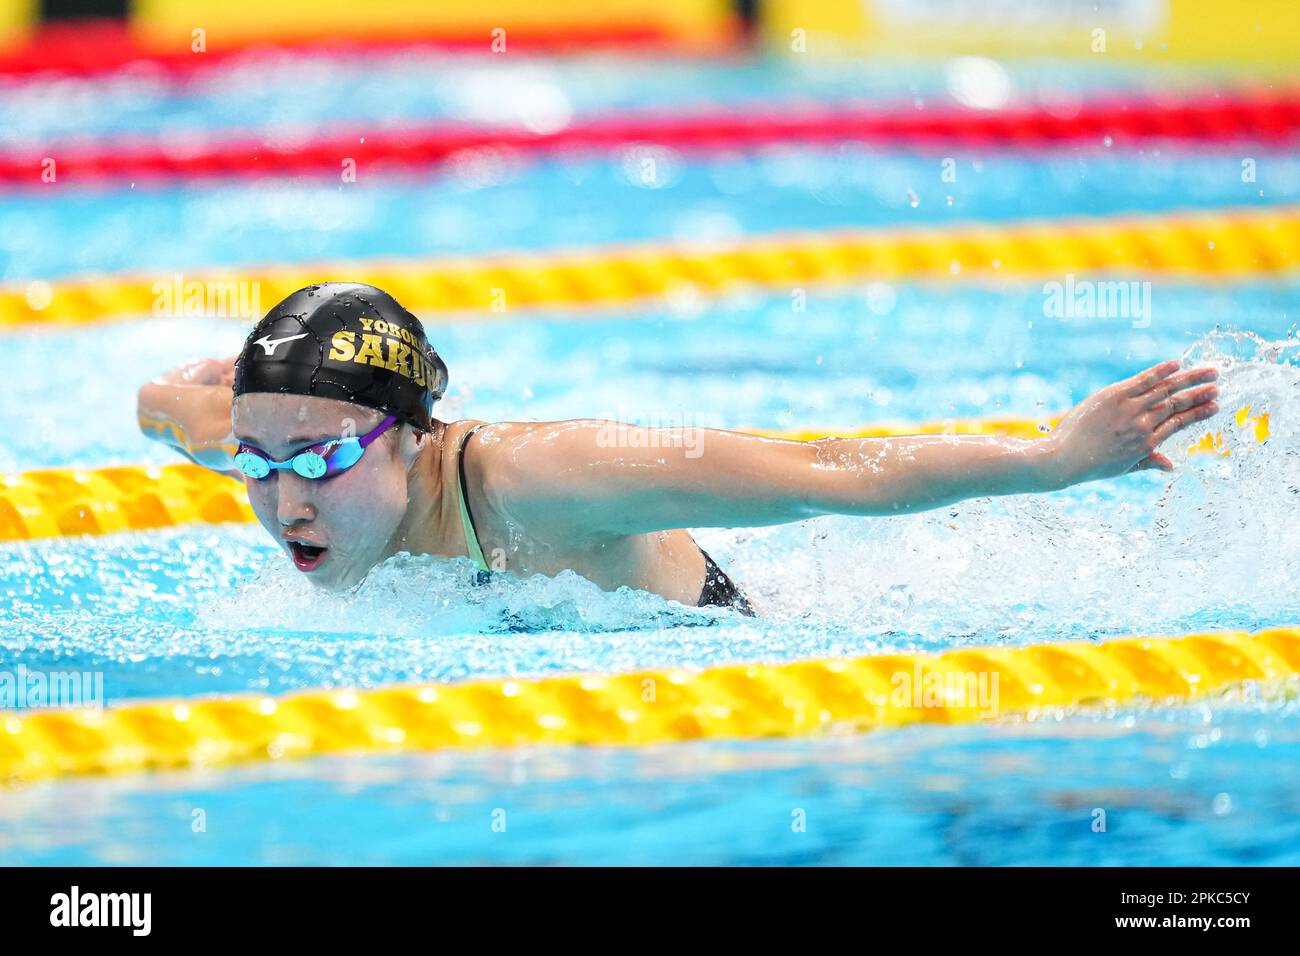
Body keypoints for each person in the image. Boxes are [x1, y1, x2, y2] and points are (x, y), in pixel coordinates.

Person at [137, 282, 1220, 617]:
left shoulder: (545, 479)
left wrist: (1051, 460)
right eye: (254, 465)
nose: (283, 503)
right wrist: (180, 401)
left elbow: (823, 471)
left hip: (709, 657)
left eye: (318, 463)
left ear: (412, 436)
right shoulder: (270, 437)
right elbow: (163, 408)